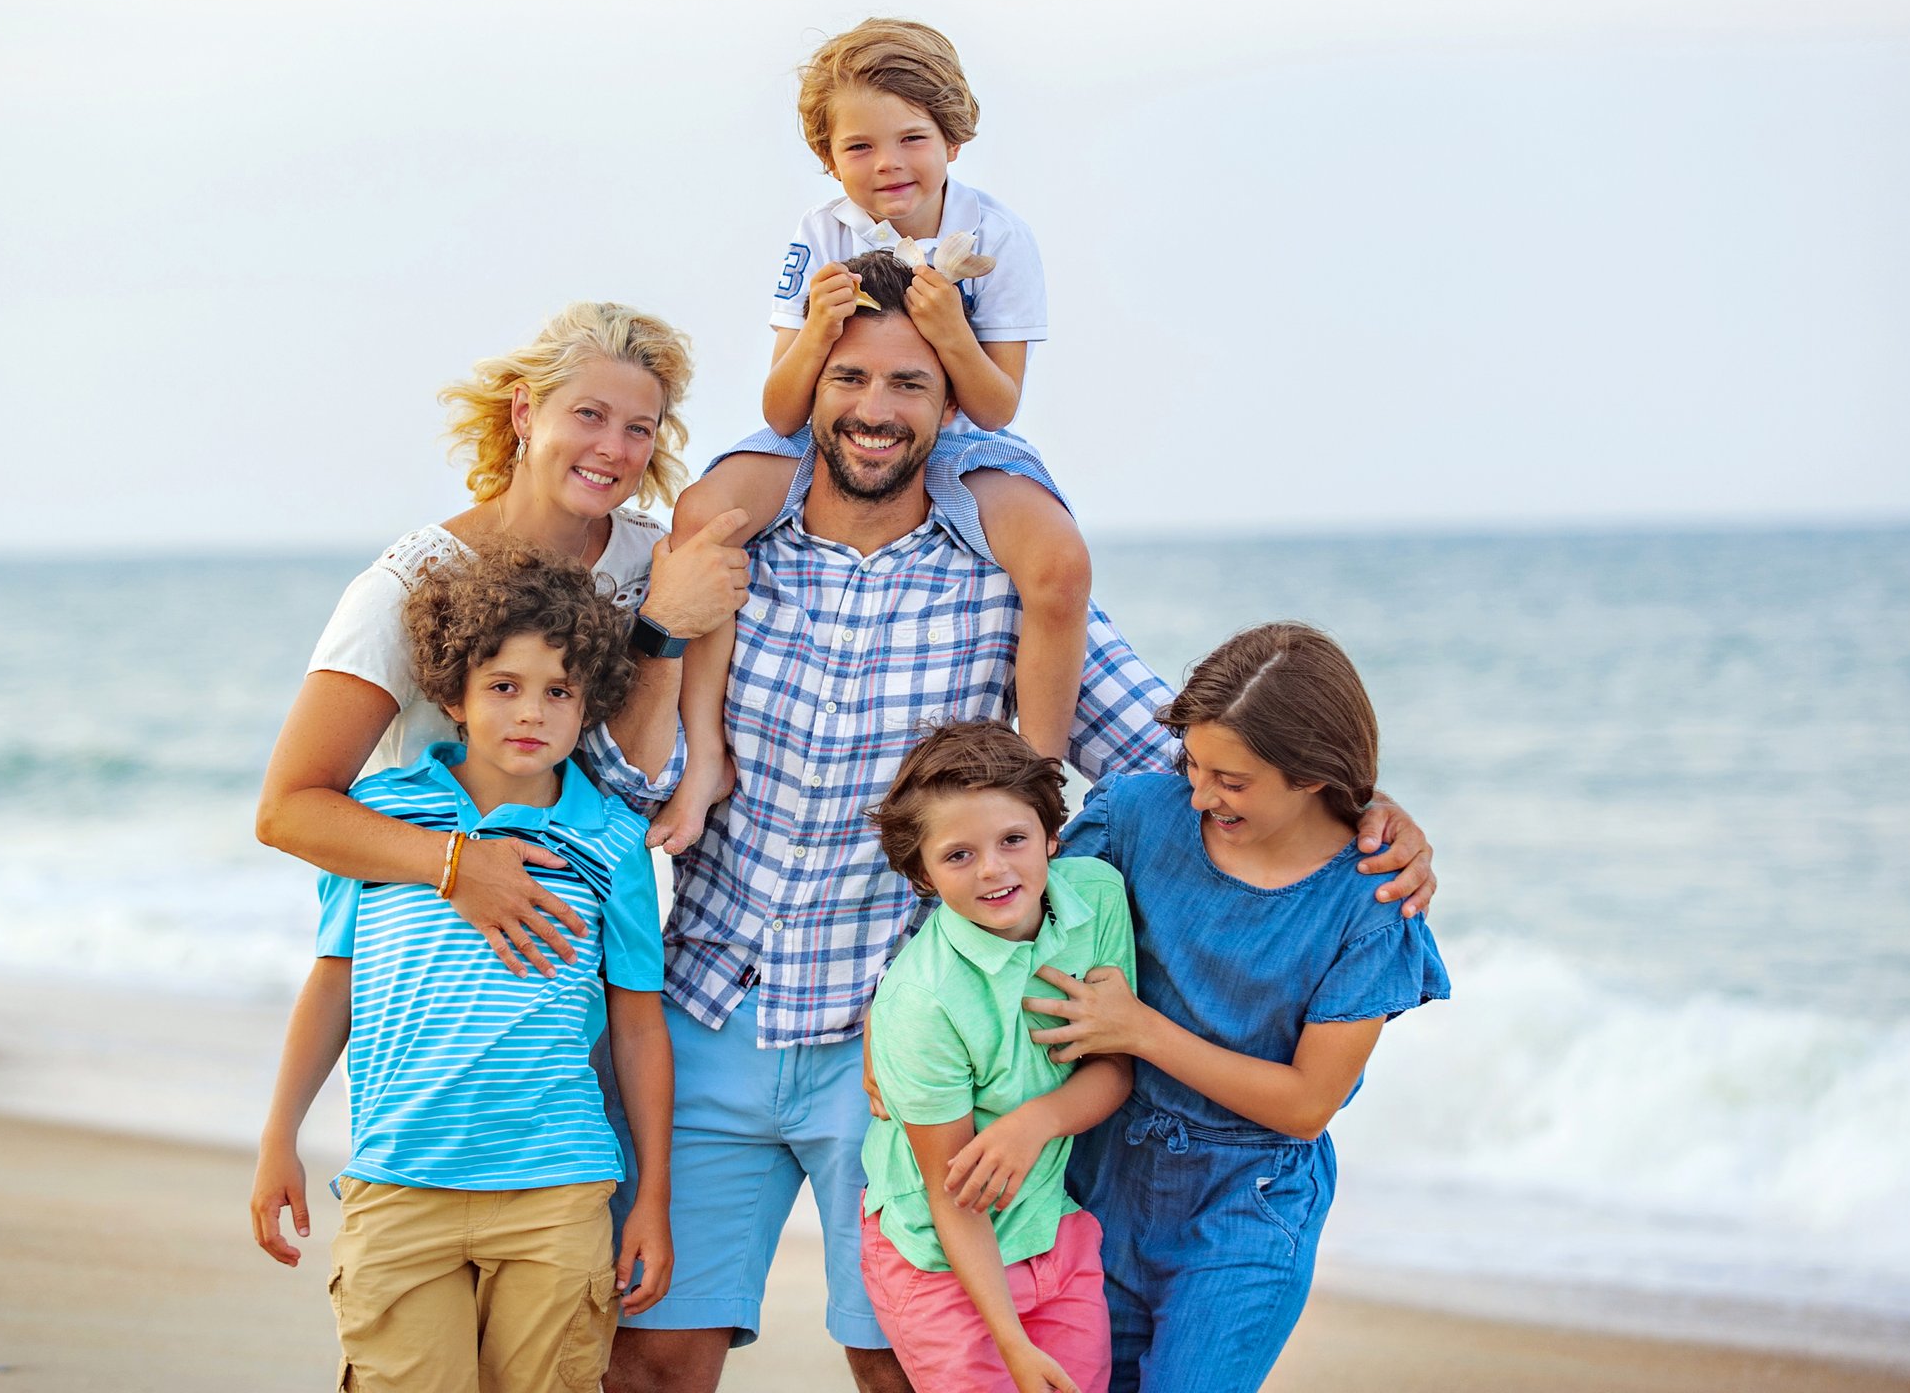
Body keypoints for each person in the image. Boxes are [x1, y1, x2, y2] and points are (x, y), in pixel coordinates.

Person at [602, 260, 1437, 1393]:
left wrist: (1357, 802)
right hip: (710, 1010)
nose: (876, 407)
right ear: (809, 386)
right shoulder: (730, 552)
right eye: (849, 375)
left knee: (906, 1365)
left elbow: (1187, 753)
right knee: (650, 1360)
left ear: (953, 408)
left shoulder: (1011, 581)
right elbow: (601, 764)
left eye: (912, 379)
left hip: (897, 1044)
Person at [248, 538, 675, 1393]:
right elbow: (334, 982)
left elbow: (636, 1023)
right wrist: (277, 1140)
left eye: (558, 692)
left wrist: (653, 1201)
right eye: (504, 688)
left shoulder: (612, 840)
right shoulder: (380, 816)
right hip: (400, 1179)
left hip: (558, 1191)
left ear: (587, 704)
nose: (532, 713)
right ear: (452, 695)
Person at [652, 19, 1090, 852]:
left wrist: (947, 333)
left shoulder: (999, 237)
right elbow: (783, 412)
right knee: (705, 513)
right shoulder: (819, 233)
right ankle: (706, 752)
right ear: (827, 157)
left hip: (953, 429)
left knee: (1060, 564)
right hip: (829, 422)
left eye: (912, 139)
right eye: (859, 147)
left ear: (955, 140)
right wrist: (819, 336)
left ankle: (1034, 783)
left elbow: (997, 407)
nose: (888, 164)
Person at [254, 301, 750, 976]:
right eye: (589, 415)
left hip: (586, 960)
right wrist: (460, 866)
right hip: (437, 963)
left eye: (640, 428)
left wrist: (666, 649)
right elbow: (288, 810)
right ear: (524, 413)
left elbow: (633, 778)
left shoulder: (652, 564)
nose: (614, 448)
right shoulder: (405, 586)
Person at [1025, 623, 1451, 1393]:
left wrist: (1142, 1030)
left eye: (1232, 780)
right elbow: (1015, 933)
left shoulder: (1371, 901)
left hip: (1248, 1206)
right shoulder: (1134, 817)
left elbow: (1305, 1105)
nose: (1198, 793)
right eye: (1192, 763)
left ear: (1314, 774)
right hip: (1097, 1175)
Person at [858, 721, 1135, 1393]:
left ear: (1050, 835)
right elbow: (952, 1198)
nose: (993, 869)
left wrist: (1029, 1124)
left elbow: (1115, 1063)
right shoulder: (923, 1002)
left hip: (1052, 1231)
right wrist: (1010, 1344)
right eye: (957, 855)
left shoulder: (1095, 895)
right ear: (922, 873)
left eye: (1013, 838)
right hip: (941, 1258)